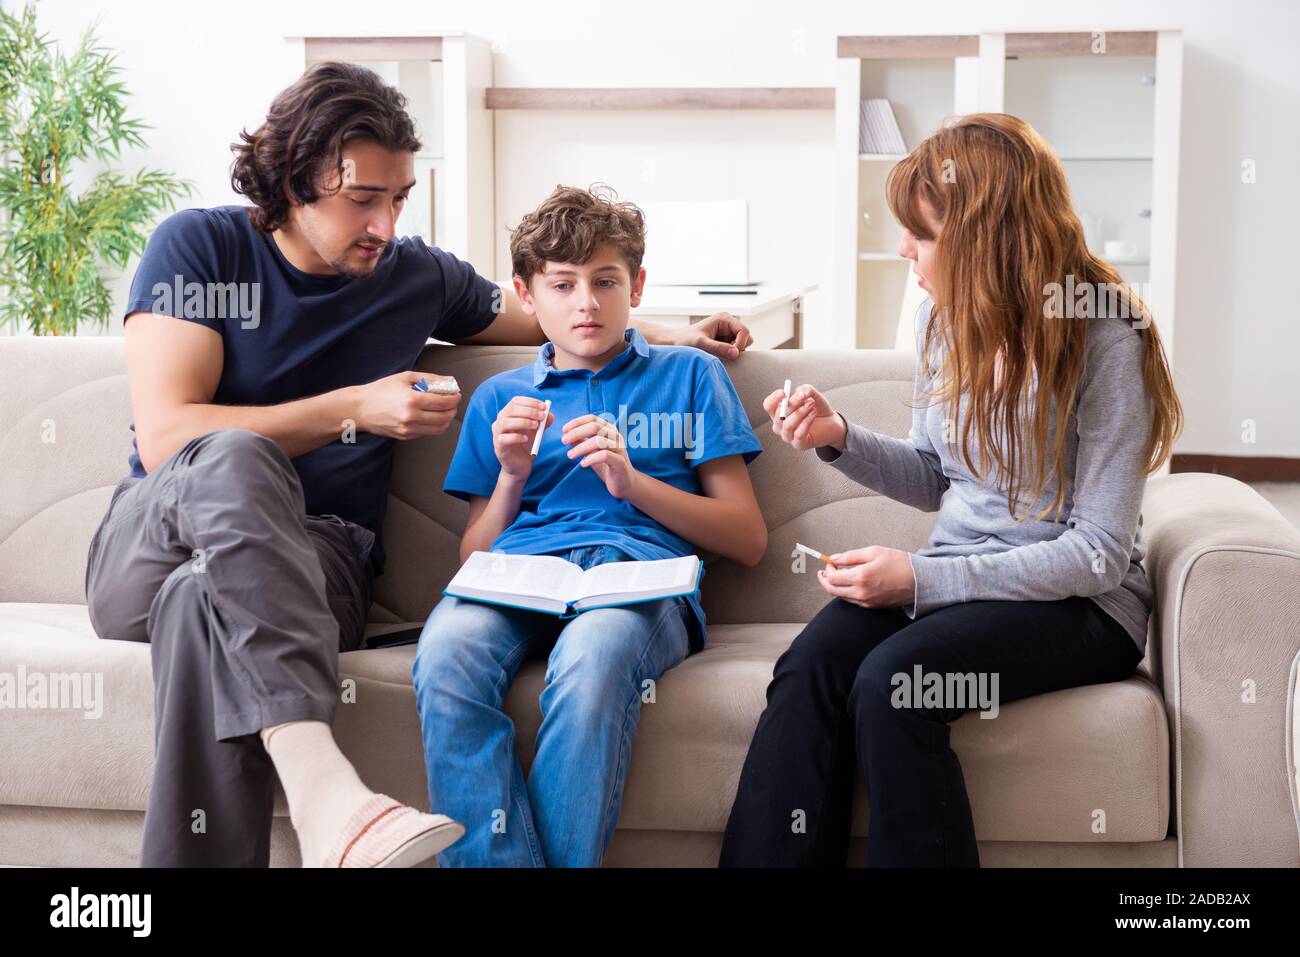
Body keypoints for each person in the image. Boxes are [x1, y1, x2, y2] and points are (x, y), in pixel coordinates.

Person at [84, 62, 753, 868]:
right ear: (293, 180)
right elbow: (168, 438)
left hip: (315, 556)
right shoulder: (200, 248)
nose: (385, 223)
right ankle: (324, 783)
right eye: (363, 198)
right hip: (158, 540)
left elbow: (561, 310)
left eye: (399, 198)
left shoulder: (411, 275)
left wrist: (682, 335)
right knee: (232, 456)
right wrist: (353, 408)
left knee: (204, 606)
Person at [719, 113, 1183, 867]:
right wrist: (835, 434)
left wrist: (921, 578)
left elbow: (1097, 554)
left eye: (922, 232)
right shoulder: (942, 316)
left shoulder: (1105, 333)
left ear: (989, 234)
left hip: (1083, 607)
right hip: (964, 581)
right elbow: (937, 476)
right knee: (809, 667)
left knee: (894, 684)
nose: (904, 247)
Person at [411, 185, 766, 866]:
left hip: (637, 576)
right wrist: (512, 474)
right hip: (519, 572)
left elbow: (746, 538)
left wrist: (633, 483)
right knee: (447, 651)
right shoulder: (498, 398)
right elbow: (472, 554)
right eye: (563, 283)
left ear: (636, 285)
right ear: (525, 293)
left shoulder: (690, 375)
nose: (587, 302)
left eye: (606, 281)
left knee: (594, 657)